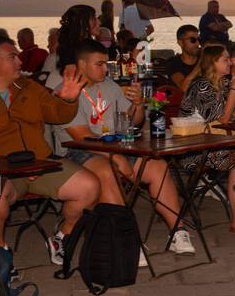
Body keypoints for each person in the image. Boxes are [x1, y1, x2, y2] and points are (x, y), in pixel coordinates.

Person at [0, 35, 96, 265]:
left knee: (89, 187)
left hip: (38, 162)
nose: (20, 62)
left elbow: (58, 114)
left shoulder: (28, 87)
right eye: (12, 57)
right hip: (0, 170)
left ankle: (62, 236)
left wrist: (68, 99)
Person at [50, 40, 195, 257]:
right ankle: (127, 240)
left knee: (158, 167)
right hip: (76, 151)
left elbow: (131, 122)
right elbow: (83, 138)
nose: (105, 69)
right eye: (99, 64)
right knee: (108, 171)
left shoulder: (109, 85)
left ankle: (178, 230)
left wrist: (137, 105)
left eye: (105, 63)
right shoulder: (66, 93)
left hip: (113, 145)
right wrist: (116, 158)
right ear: (82, 64)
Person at [178, 44, 235, 234]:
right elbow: (221, 121)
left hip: (218, 143)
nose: (230, 62)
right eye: (225, 59)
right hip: (194, 148)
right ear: (212, 63)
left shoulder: (225, 82)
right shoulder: (200, 86)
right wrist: (234, 89)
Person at [165, 24, 201, 90]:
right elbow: (184, 88)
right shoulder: (173, 63)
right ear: (180, 43)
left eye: (199, 39)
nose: (198, 43)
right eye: (192, 40)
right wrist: (202, 63)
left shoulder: (203, 59)